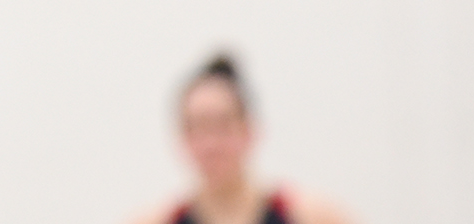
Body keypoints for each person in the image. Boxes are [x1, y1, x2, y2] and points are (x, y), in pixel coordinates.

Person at [130, 55, 356, 224]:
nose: (211, 144)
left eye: (221, 126)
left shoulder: (310, 216)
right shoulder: (154, 220)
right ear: (181, 138)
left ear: (250, 130)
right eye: (197, 127)